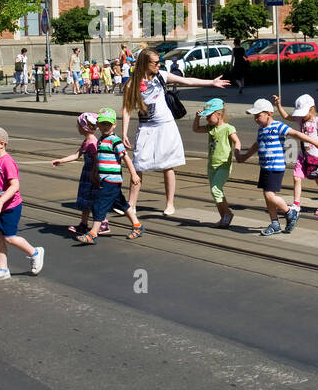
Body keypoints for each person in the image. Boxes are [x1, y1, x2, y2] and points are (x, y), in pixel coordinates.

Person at [121, 47, 230, 217]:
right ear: (145, 63)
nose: (159, 65)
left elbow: (187, 81)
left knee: (168, 165)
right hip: (146, 128)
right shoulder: (131, 83)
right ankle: (131, 204)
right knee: (138, 165)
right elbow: (127, 109)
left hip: (165, 126)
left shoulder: (161, 76)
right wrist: (124, 133)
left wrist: (211, 82)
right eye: (156, 63)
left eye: (159, 62)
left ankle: (170, 203)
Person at [235, 99, 318, 236]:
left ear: (269, 114)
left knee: (269, 195)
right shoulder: (261, 129)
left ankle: (290, 212)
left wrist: (314, 141)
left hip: (275, 166)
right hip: (265, 166)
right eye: (254, 116)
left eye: (258, 116)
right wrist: (244, 157)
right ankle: (275, 223)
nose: (256, 119)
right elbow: (257, 145)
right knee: (267, 195)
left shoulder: (277, 126)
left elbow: (296, 134)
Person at [0, 127, 44, 281]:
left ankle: (35, 252)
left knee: (9, 237)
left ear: (1, 144)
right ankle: (3, 269)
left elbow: (14, 186)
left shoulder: (7, 162)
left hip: (10, 206)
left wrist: (1, 200)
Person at [76, 109, 141, 243]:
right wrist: (95, 172)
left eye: (108, 124)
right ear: (98, 125)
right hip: (104, 179)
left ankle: (92, 233)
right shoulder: (100, 140)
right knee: (122, 203)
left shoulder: (115, 141)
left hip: (111, 180)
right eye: (103, 124)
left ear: (114, 125)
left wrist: (133, 174)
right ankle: (137, 225)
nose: (105, 127)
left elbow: (126, 158)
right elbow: (98, 159)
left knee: (99, 205)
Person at [275, 93, 318, 215]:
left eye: (303, 112)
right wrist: (279, 105)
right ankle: (296, 204)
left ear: (311, 110)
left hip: (316, 156)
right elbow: (285, 116)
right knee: (296, 177)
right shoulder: (300, 119)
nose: (300, 115)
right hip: (303, 155)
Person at [52, 112, 102, 237]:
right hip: (87, 174)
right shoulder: (87, 141)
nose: (77, 127)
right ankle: (83, 224)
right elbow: (76, 155)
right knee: (86, 200)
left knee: (94, 200)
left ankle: (103, 223)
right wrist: (61, 160)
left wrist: (95, 174)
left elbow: (97, 160)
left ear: (84, 127)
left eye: (78, 125)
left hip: (92, 175)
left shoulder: (92, 143)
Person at [193, 98, 240, 227]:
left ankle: (228, 214)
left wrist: (237, 151)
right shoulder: (210, 128)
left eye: (208, 116)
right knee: (216, 193)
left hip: (223, 165)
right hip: (211, 165)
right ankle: (224, 217)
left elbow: (237, 141)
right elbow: (196, 129)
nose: (206, 119)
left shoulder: (228, 128)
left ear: (218, 114)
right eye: (206, 117)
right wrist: (197, 117)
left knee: (215, 190)